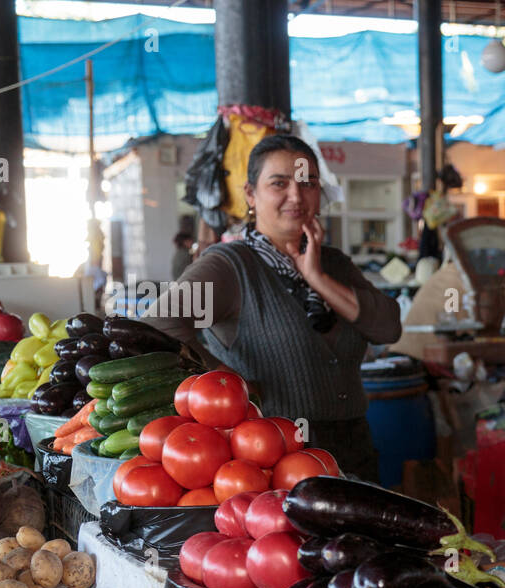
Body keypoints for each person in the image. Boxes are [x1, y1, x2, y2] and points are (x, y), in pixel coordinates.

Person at [144, 134, 402, 481]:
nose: (296, 196)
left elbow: (388, 328)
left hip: (355, 451)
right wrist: (232, 384)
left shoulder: (335, 265)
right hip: (273, 462)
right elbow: (158, 326)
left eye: (308, 183)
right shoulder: (231, 267)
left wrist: (318, 277)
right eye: (279, 183)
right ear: (251, 194)